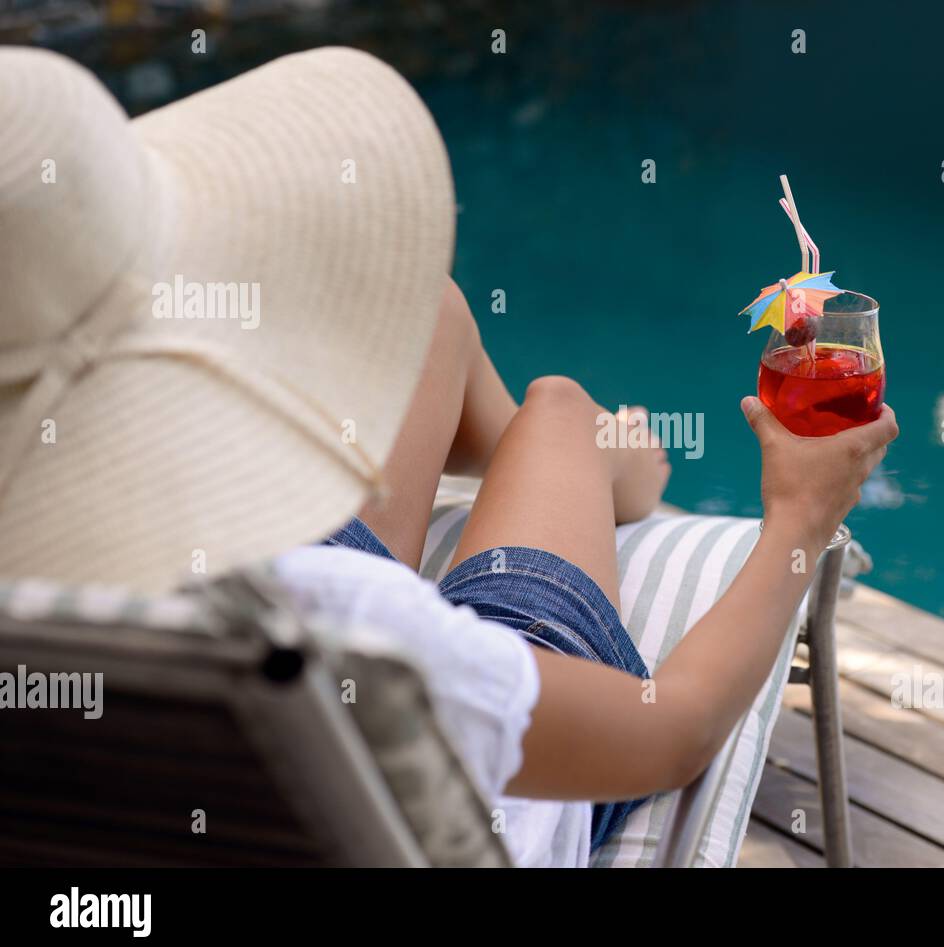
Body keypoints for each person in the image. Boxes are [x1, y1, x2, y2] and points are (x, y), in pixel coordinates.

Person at [0, 46, 898, 867]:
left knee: (425, 316)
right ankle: (604, 455)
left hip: (198, 601)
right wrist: (801, 516)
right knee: (557, 409)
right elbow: (680, 729)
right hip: (436, 780)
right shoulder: (346, 633)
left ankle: (580, 453)